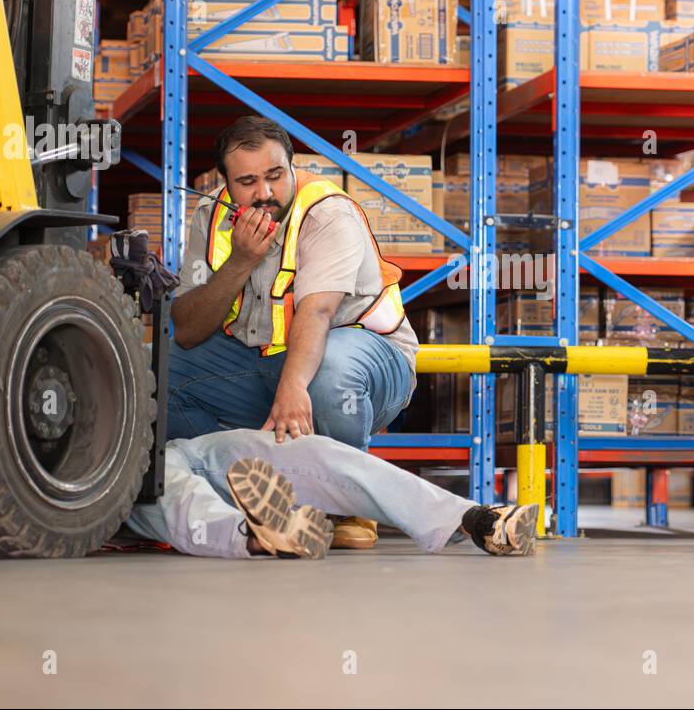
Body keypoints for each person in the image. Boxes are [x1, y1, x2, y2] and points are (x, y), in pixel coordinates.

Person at [168, 116, 420, 550]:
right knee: (158, 372)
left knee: (329, 370)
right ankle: (257, 493)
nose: (264, 193)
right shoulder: (210, 215)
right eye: (247, 181)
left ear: (291, 166)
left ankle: (348, 502)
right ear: (224, 183)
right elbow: (188, 330)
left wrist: (292, 385)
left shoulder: (326, 211)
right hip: (265, 365)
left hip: (365, 366)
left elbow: (318, 311)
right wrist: (240, 262)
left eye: (274, 175)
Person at [123, 430, 539, 559]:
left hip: (177, 441)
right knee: (164, 487)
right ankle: (254, 534)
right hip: (112, 475)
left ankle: (475, 518)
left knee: (312, 453)